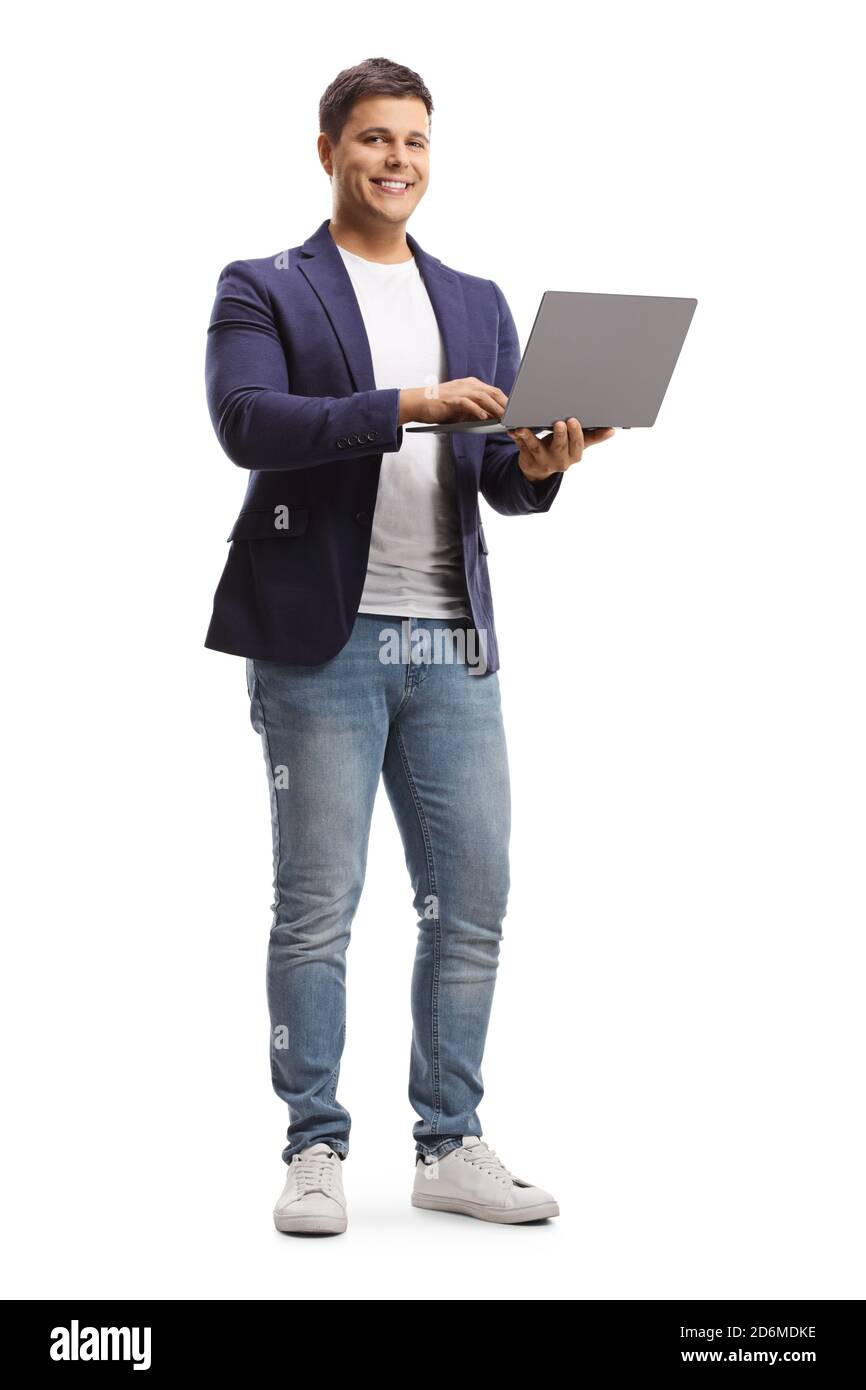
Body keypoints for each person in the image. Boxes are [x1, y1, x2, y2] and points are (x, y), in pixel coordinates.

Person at [204, 56, 615, 1235]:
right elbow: (247, 423)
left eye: (416, 142)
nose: (397, 161)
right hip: (315, 646)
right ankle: (313, 1146)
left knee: (470, 898)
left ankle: (449, 1141)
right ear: (327, 148)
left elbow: (495, 473)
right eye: (375, 139)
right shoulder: (264, 286)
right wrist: (405, 406)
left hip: (450, 642)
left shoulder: (477, 296)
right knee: (317, 905)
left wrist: (536, 463)